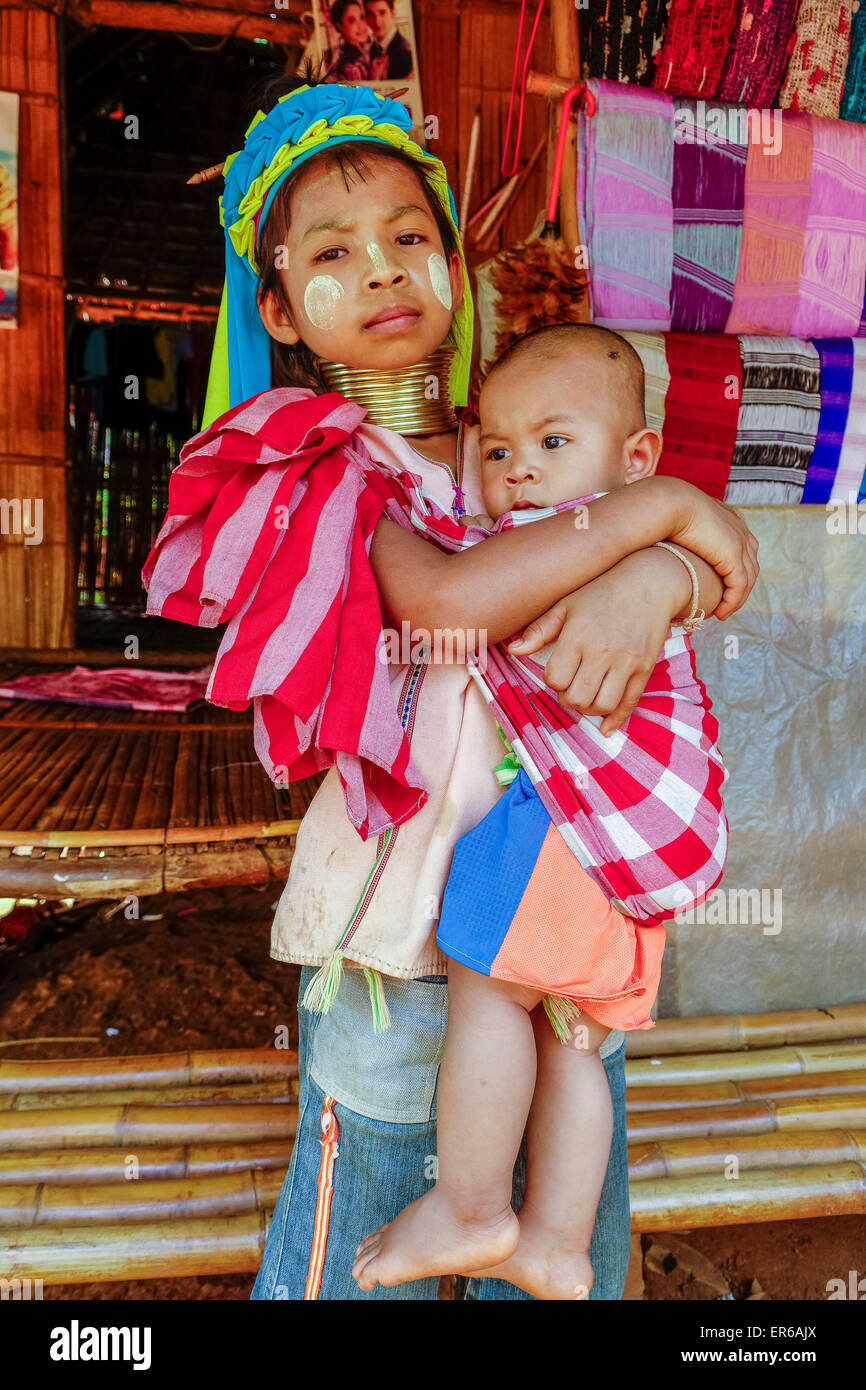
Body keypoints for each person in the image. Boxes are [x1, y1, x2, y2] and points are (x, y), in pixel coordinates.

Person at [143, 78, 759, 1301]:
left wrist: (656, 581)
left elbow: (724, 574)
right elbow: (444, 603)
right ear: (276, 306)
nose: (381, 270)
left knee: (555, 1236)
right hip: (403, 949)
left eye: (408, 239)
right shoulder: (317, 466)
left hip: (568, 910)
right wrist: (664, 510)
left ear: (452, 263)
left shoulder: (515, 439)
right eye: (334, 252)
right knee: (353, 1257)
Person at [352, 323, 728, 1299]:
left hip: (575, 827)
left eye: (551, 443)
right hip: (641, 851)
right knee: (570, 1033)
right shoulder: (646, 537)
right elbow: (718, 565)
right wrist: (675, 543)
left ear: (633, 459)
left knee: (484, 990)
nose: (519, 472)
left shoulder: (575, 540)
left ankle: (471, 1204)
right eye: (498, 449)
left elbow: (453, 609)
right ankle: (558, 1241)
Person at [326, 0, 373, 82]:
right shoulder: (350, 66)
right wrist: (376, 76)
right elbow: (361, 93)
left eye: (361, 17)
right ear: (340, 26)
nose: (361, 26)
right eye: (352, 21)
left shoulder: (367, 49)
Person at [365, 0, 413, 79]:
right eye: (371, 14)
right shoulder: (374, 47)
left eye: (382, 13)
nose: (377, 21)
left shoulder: (406, 51)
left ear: (393, 13)